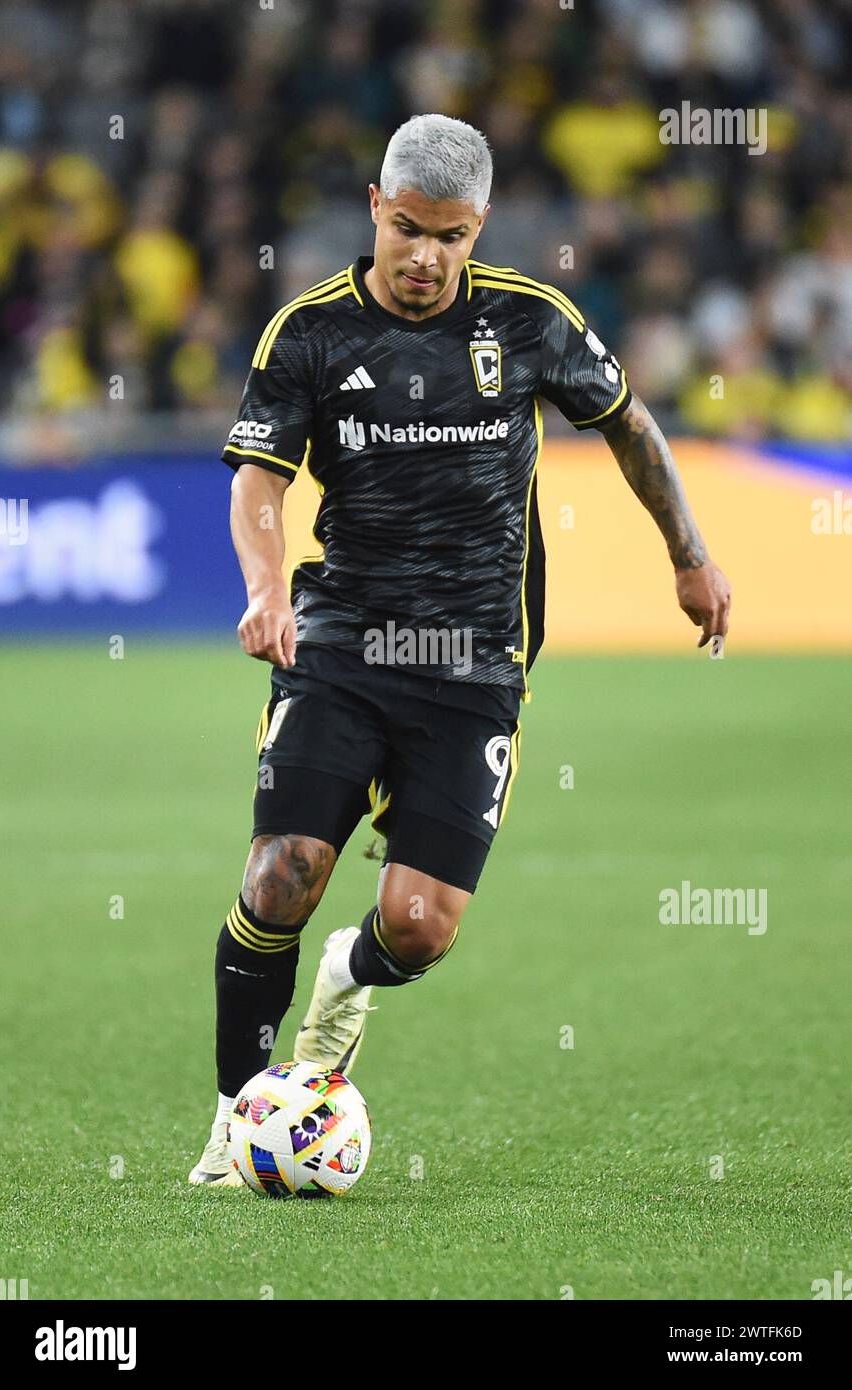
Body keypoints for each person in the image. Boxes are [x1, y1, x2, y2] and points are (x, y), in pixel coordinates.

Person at [189, 113, 731, 1185]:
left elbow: (628, 423)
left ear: (478, 227)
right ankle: (236, 1112)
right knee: (282, 872)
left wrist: (690, 554)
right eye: (405, 230)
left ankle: (348, 976)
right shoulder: (306, 332)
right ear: (375, 212)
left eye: (449, 236)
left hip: (477, 662)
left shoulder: (530, 323)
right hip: (340, 641)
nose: (425, 257)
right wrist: (265, 590)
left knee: (421, 927)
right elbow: (258, 475)